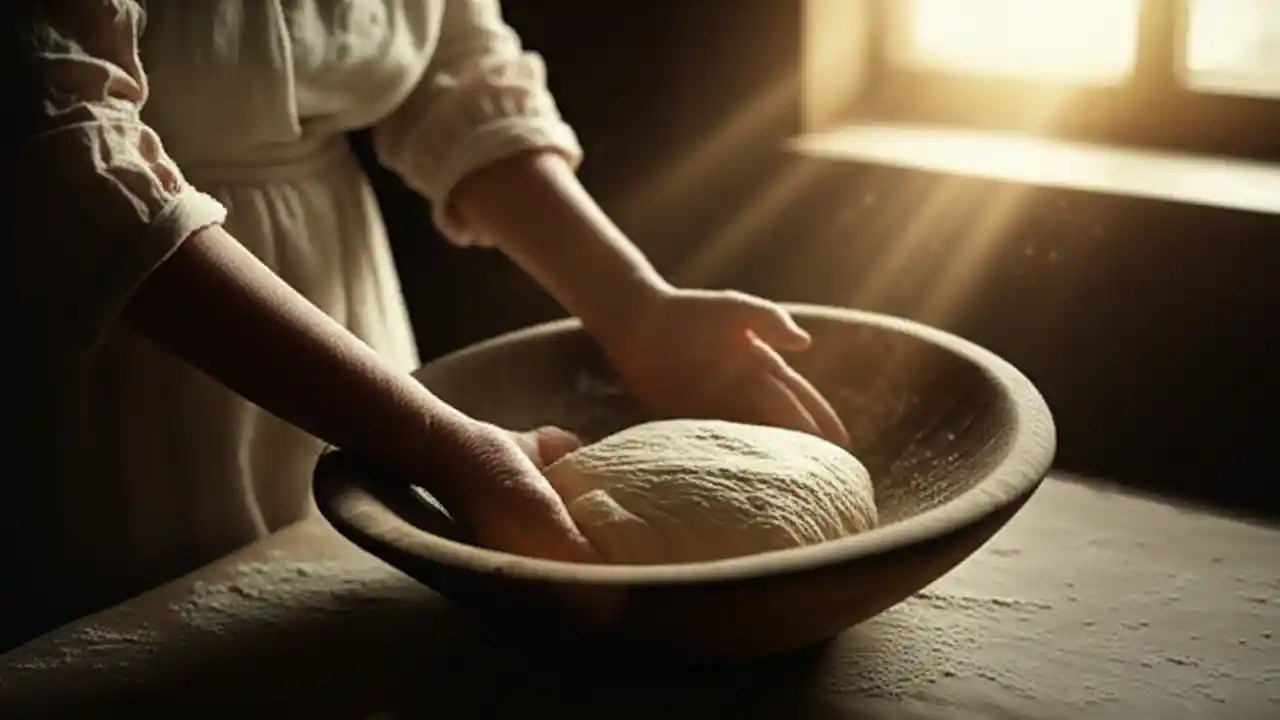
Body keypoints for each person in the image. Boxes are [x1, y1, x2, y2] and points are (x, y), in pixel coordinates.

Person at [9, 0, 848, 645]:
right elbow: (66, 156)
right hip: (121, 340)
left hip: (354, 340)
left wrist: (635, 308)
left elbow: (455, 66)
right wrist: (449, 449)